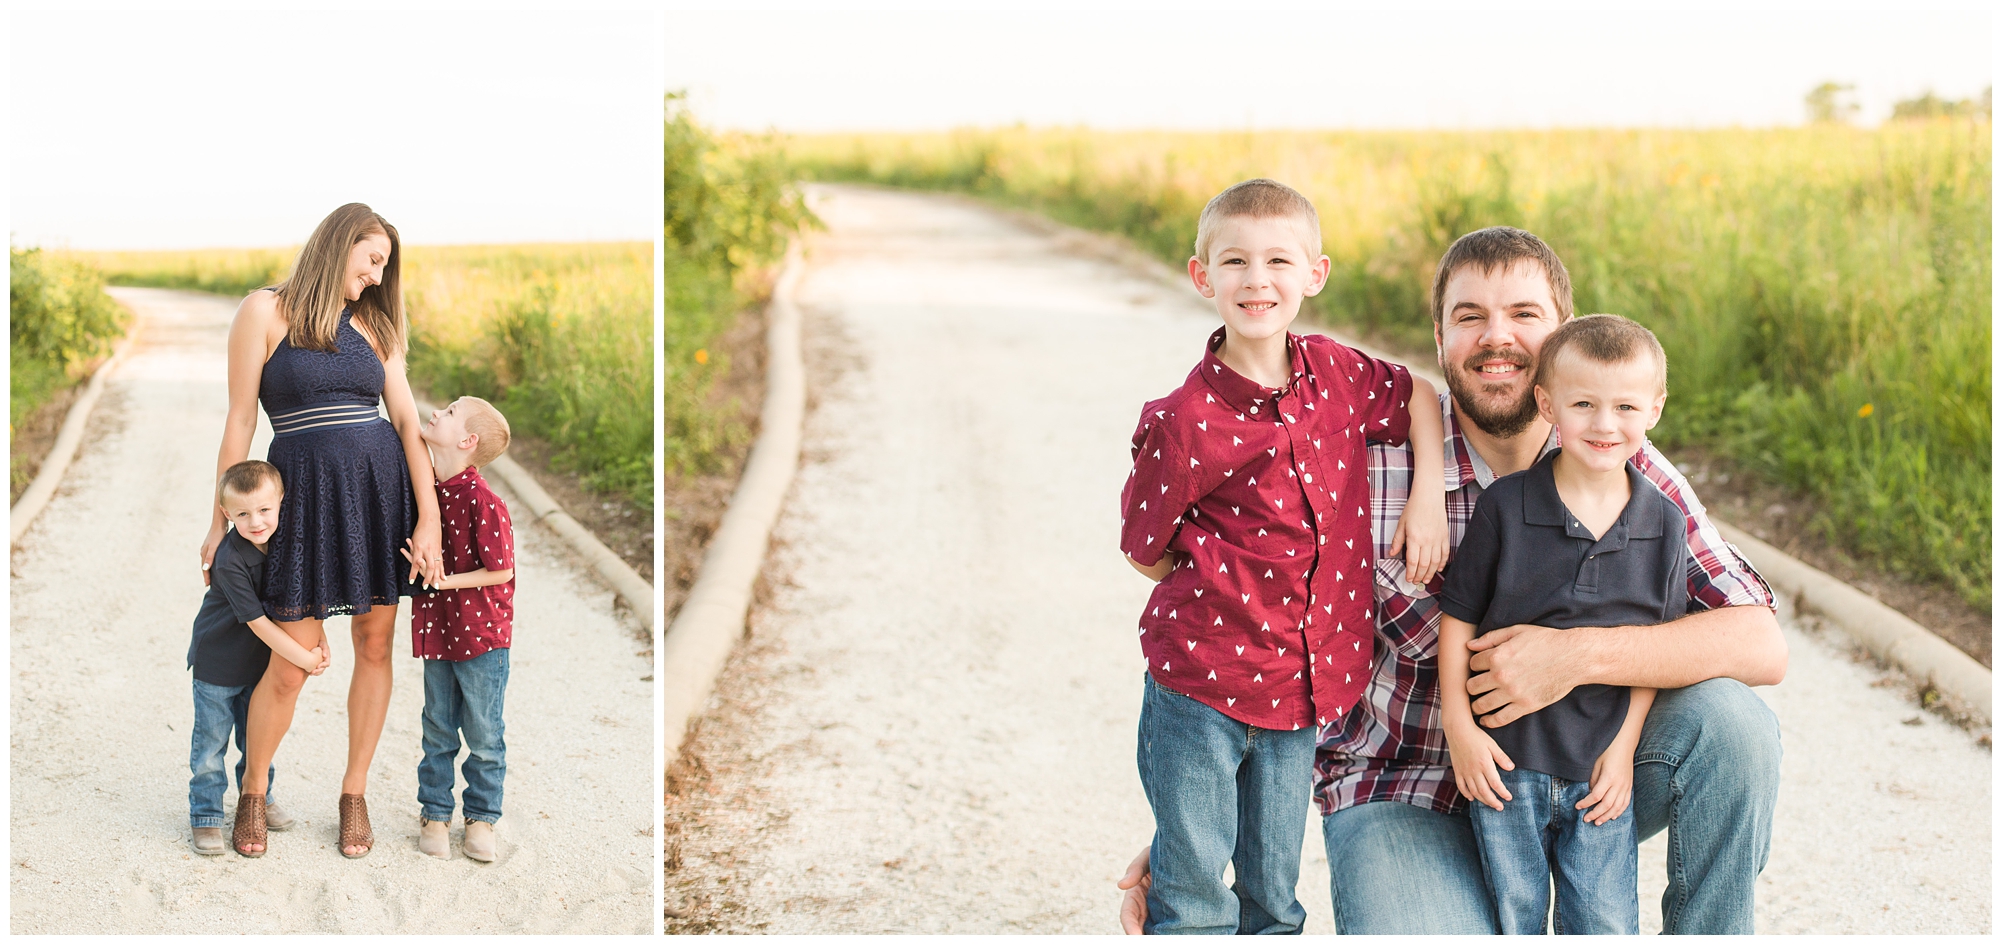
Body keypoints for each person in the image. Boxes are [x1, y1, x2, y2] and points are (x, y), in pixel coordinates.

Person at [1120, 226, 1786, 935]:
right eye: (1470, 316)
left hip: (1573, 774)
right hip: (1406, 792)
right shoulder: (1365, 462)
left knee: (1733, 726)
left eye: (1524, 315)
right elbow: (1258, 630)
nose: (1496, 338)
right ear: (1438, 339)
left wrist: (1580, 656)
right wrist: (1197, 833)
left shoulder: (1615, 461)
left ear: (1563, 334)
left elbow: (1760, 642)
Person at [1118, 178, 1448, 933]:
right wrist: (1221, 590)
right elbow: (1145, 549)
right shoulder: (1184, 420)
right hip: (1199, 685)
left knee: (1273, 886)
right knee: (1195, 883)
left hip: (1300, 693)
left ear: (1314, 274)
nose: (1257, 279)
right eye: (1234, 262)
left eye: (1277, 261)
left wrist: (1428, 495)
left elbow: (1421, 395)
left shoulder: (1338, 376)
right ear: (1203, 277)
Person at [203, 203, 446, 858]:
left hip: (376, 496)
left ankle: (354, 791)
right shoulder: (264, 311)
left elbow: (405, 424)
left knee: (374, 643)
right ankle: (252, 790)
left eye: (384, 266)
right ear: (340, 245)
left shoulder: (375, 324)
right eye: (372, 260)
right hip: (301, 499)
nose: (376, 276)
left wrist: (429, 517)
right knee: (291, 661)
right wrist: (218, 519)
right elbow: (238, 423)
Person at [1438, 315, 1686, 934]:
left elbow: (1653, 651)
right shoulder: (1507, 505)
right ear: (1547, 405)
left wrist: (1624, 749)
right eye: (1583, 404)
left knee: (1602, 922)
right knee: (1513, 917)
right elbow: (1458, 619)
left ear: (1654, 408)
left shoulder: (1664, 524)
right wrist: (1461, 730)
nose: (1605, 425)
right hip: (1504, 764)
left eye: (1625, 405)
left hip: (1598, 769)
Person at [187, 460, 328, 856]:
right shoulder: (230, 559)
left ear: (281, 501)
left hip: (259, 665)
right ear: (226, 514)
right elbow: (261, 624)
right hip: (219, 662)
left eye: (264, 510)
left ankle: (260, 798)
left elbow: (300, 604)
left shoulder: (287, 546)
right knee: (211, 746)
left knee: (257, 738)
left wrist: (320, 639)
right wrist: (304, 657)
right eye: (243, 514)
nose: (256, 522)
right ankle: (206, 817)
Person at [407, 396, 517, 863]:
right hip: (441, 628)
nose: (437, 412)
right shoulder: (429, 488)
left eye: (449, 412)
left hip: (481, 635)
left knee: (484, 731)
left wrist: (445, 580)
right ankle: (435, 811)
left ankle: (482, 816)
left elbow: (501, 571)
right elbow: (406, 425)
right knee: (437, 725)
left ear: (468, 441)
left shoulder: (482, 500)